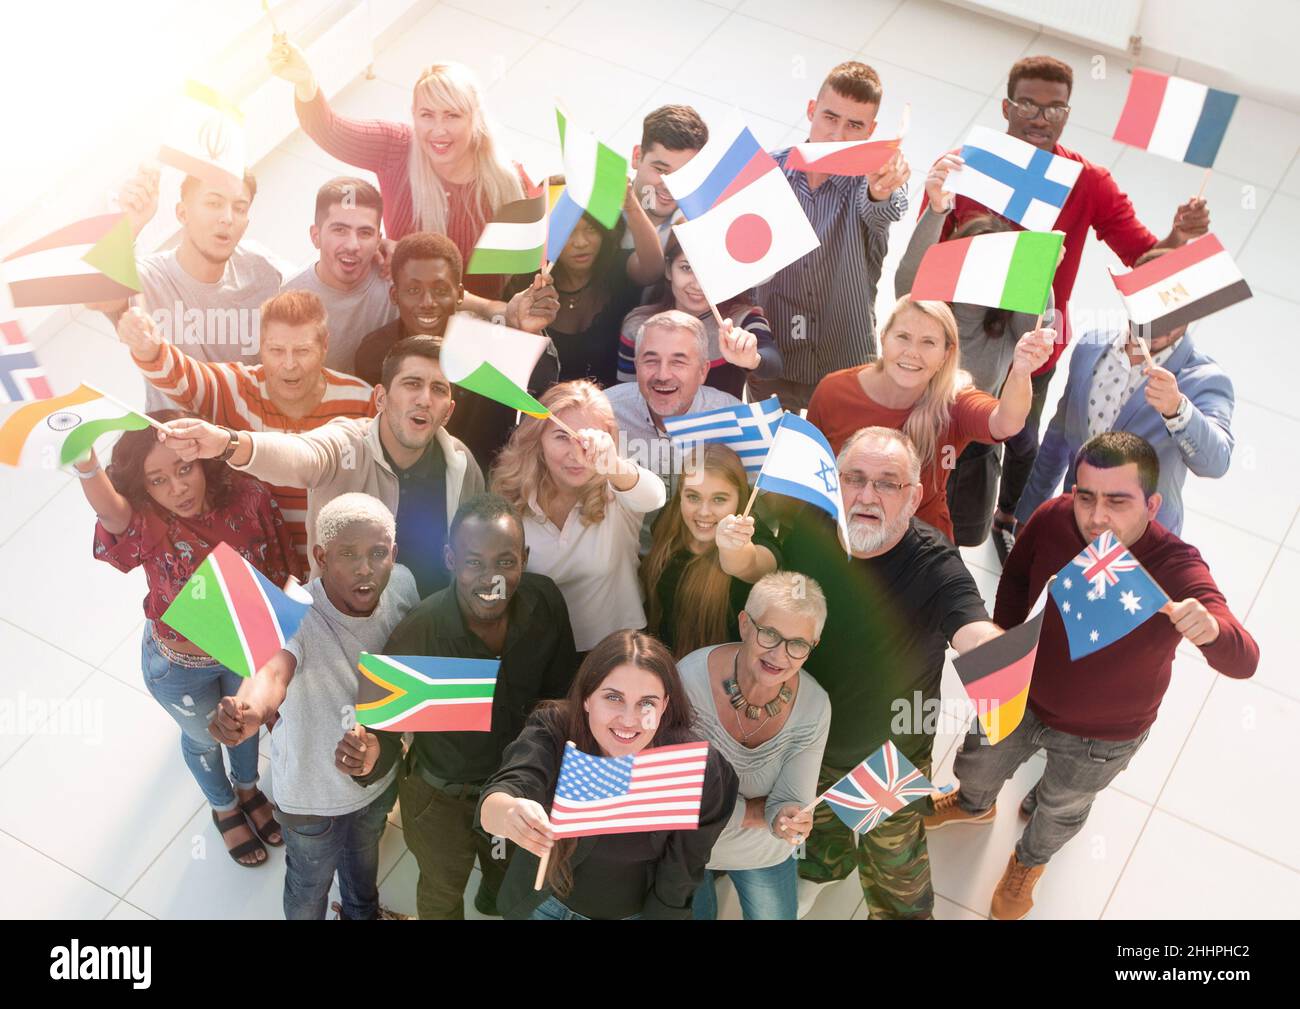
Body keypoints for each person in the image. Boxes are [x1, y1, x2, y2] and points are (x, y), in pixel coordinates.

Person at [926, 432, 1258, 919]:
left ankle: (1028, 864)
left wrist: (1210, 629)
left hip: (1102, 735)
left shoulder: (1176, 563)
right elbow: (1017, 576)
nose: (1096, 516)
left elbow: (1244, 659)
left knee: (1060, 808)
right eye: (1086, 496)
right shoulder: (1055, 517)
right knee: (977, 762)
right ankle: (975, 804)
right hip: (1019, 695)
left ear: (1153, 503)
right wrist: (1005, 639)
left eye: (1118, 501)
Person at [921, 55, 1212, 558]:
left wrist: (1178, 237)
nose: (1041, 118)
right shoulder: (966, 166)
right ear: (1007, 106)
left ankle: (1007, 513)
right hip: (960, 340)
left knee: (1023, 442)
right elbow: (929, 259)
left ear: (1068, 114)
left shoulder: (1088, 181)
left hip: (1034, 347)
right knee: (947, 431)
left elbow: (1143, 260)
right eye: (1029, 105)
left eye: (1055, 108)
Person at [781, 426, 1003, 919]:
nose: (866, 495)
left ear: (914, 495)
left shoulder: (935, 564)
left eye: (887, 483)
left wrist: (992, 649)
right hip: (808, 736)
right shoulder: (811, 524)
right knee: (818, 832)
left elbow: (971, 626)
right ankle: (821, 873)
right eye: (854, 478)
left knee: (895, 873)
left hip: (886, 757)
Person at [73, 412, 297, 867]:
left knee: (242, 725)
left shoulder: (249, 497)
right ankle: (224, 806)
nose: (177, 488)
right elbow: (110, 513)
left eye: (183, 469)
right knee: (202, 739)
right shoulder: (147, 522)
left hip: (241, 650)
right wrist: (86, 466)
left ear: (203, 461)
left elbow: (279, 567)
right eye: (157, 480)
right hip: (178, 668)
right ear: (143, 489)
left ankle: (249, 787)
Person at [348, 494, 579, 919]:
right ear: (451, 559)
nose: (491, 579)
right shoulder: (418, 633)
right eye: (475, 563)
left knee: (506, 877)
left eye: (505, 563)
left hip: (517, 789)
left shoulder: (545, 602)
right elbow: (381, 730)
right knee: (441, 889)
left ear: (524, 559)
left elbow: (561, 692)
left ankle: (491, 898)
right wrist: (369, 758)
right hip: (441, 801)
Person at [207, 494, 418, 919]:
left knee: (363, 864)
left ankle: (362, 913)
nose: (364, 568)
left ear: (393, 555)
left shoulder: (403, 586)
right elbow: (271, 671)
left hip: (376, 780)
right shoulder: (295, 612)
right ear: (321, 557)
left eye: (378, 554)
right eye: (347, 554)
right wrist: (250, 711)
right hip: (310, 800)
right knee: (308, 885)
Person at [158, 335, 483, 595]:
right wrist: (227, 444)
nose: (425, 398)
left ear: (448, 411)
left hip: (423, 633)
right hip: (344, 632)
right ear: (381, 398)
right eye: (412, 384)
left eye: (438, 389)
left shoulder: (461, 464)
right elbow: (301, 455)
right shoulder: (345, 442)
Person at [478, 629, 739, 919]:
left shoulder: (694, 767)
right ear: (587, 697)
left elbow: (683, 869)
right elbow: (504, 794)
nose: (629, 720)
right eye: (613, 698)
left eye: (647, 703)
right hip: (545, 906)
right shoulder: (554, 728)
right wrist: (511, 810)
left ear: (664, 705)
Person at [115, 290, 374, 562]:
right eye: (276, 350)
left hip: (339, 566)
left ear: (325, 346)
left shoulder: (363, 402)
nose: (289, 365)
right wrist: (148, 347)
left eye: (302, 351)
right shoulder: (234, 386)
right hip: (264, 565)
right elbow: (180, 376)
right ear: (260, 345)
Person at [270, 43, 530, 306]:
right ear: (413, 116)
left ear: (476, 119)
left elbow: (528, 268)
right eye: (427, 115)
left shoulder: (508, 182)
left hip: (478, 318)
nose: (438, 131)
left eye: (452, 115)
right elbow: (328, 128)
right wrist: (305, 81)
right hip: (406, 307)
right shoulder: (397, 147)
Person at [1014, 249, 1235, 536]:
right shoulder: (1091, 347)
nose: (1157, 325)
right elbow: (1059, 438)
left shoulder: (1205, 380)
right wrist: (1031, 510)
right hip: (1076, 521)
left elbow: (1216, 462)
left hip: (1142, 538)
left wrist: (1178, 410)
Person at [807, 295, 1053, 542]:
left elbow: (1007, 422)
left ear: (946, 354)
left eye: (928, 342)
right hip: (841, 531)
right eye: (903, 337)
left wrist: (1021, 372)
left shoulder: (954, 403)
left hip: (917, 544)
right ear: (883, 337)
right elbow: (805, 468)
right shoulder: (833, 391)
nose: (912, 353)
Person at [895, 170, 1057, 545]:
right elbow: (906, 281)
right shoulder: (930, 306)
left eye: (992, 263)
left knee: (952, 539)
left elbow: (1040, 324)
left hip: (972, 442)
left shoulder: (1008, 317)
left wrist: (1039, 270)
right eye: (971, 258)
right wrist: (936, 211)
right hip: (917, 429)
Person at [751, 61, 912, 411]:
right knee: (764, 453)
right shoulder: (766, 172)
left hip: (843, 361)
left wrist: (882, 188)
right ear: (811, 110)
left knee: (843, 460)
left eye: (854, 125)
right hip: (771, 354)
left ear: (871, 130)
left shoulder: (871, 183)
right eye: (830, 117)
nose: (838, 135)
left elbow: (884, 208)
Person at [678, 572, 831, 920]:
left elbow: (790, 801)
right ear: (745, 625)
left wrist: (785, 819)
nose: (780, 655)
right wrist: (756, 812)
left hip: (764, 852)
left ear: (812, 647)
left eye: (798, 644)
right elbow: (679, 797)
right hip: (684, 847)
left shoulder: (815, 706)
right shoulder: (687, 680)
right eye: (770, 634)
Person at [353, 232, 559, 466]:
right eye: (413, 290)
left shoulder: (484, 346)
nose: (427, 302)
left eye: (440, 290)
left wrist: (529, 331)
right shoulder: (373, 354)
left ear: (459, 294)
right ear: (394, 295)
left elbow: (540, 387)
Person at [490, 381, 666, 653]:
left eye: (589, 438)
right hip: (537, 652)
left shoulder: (618, 486)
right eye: (561, 436)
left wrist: (614, 466)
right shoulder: (512, 493)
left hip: (614, 651)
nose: (576, 454)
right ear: (539, 440)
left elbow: (654, 496)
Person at [96, 167, 285, 411]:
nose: (227, 217)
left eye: (239, 208)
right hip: (177, 439)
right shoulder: (147, 277)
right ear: (182, 213)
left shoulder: (262, 269)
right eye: (214, 203)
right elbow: (96, 297)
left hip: (255, 437)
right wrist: (127, 225)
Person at [504, 187, 664, 388]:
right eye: (568, 232)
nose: (581, 243)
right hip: (548, 410)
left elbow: (654, 269)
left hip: (612, 409)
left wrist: (631, 207)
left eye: (591, 229)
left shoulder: (616, 269)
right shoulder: (530, 287)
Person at [642, 443, 780, 657]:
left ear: (740, 498)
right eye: (693, 497)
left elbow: (752, 565)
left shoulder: (755, 535)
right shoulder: (669, 520)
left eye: (719, 499)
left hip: (717, 677)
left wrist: (732, 548)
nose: (704, 512)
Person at [617, 234, 782, 398]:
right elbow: (626, 395)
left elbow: (773, 364)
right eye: (686, 268)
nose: (697, 285)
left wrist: (752, 358)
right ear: (668, 270)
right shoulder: (639, 325)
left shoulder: (739, 320)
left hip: (721, 423)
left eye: (712, 271)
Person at [605, 309, 740, 499]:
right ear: (636, 366)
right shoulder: (606, 412)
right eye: (651, 361)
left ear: (703, 371)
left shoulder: (734, 420)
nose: (662, 375)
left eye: (678, 362)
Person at [280, 177, 396, 372]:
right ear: (316, 236)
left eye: (365, 233)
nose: (352, 245)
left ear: (378, 240)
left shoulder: (399, 283)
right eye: (340, 230)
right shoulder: (287, 300)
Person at [625, 105, 709, 248]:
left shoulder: (700, 233)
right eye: (661, 170)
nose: (669, 186)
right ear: (637, 157)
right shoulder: (592, 214)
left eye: (683, 175)